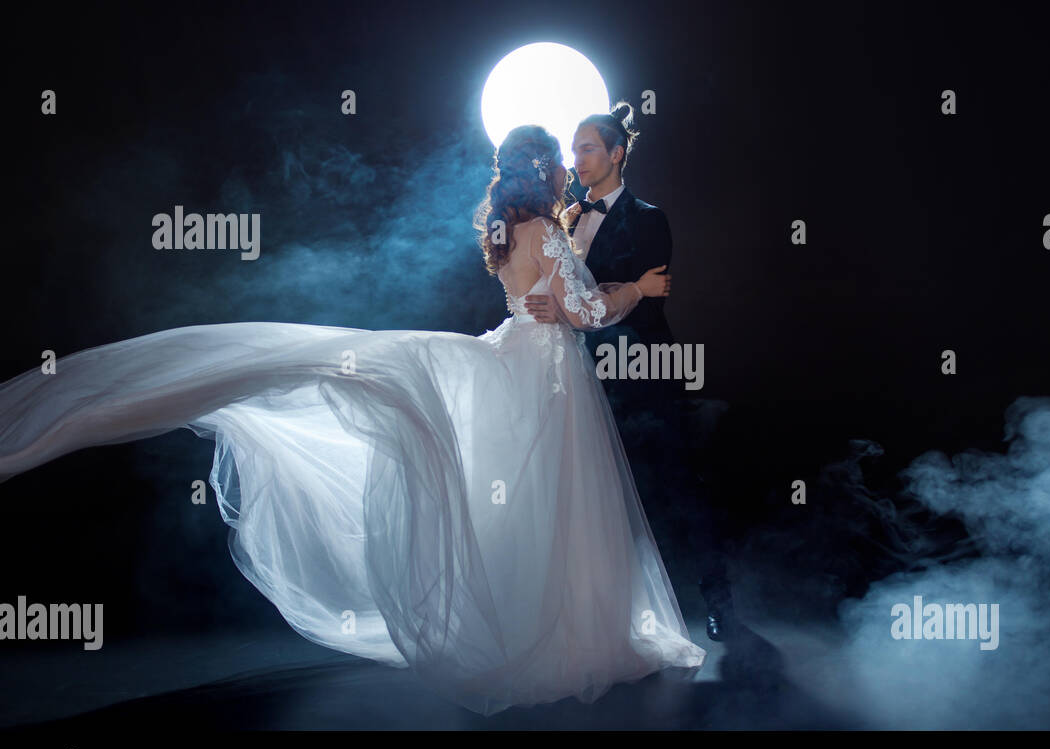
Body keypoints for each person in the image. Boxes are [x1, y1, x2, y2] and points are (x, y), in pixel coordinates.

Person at [0, 124, 706, 717]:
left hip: (521, 353)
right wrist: (633, 289)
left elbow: (546, 297)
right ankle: (570, 635)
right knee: (558, 503)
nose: (568, 167)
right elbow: (580, 313)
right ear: (544, 168)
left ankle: (540, 623)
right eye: (561, 155)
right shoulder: (547, 231)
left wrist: (574, 285)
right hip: (548, 372)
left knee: (527, 501)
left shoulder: (508, 229)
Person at [525, 103, 735, 641]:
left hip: (641, 364)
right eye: (573, 150)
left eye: (587, 148)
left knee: (677, 483)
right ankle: (607, 615)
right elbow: (565, 290)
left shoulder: (649, 218)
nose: (576, 159)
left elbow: (646, 298)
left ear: (616, 153)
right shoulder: (563, 219)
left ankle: (719, 604)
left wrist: (574, 306)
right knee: (597, 490)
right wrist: (559, 306)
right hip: (580, 369)